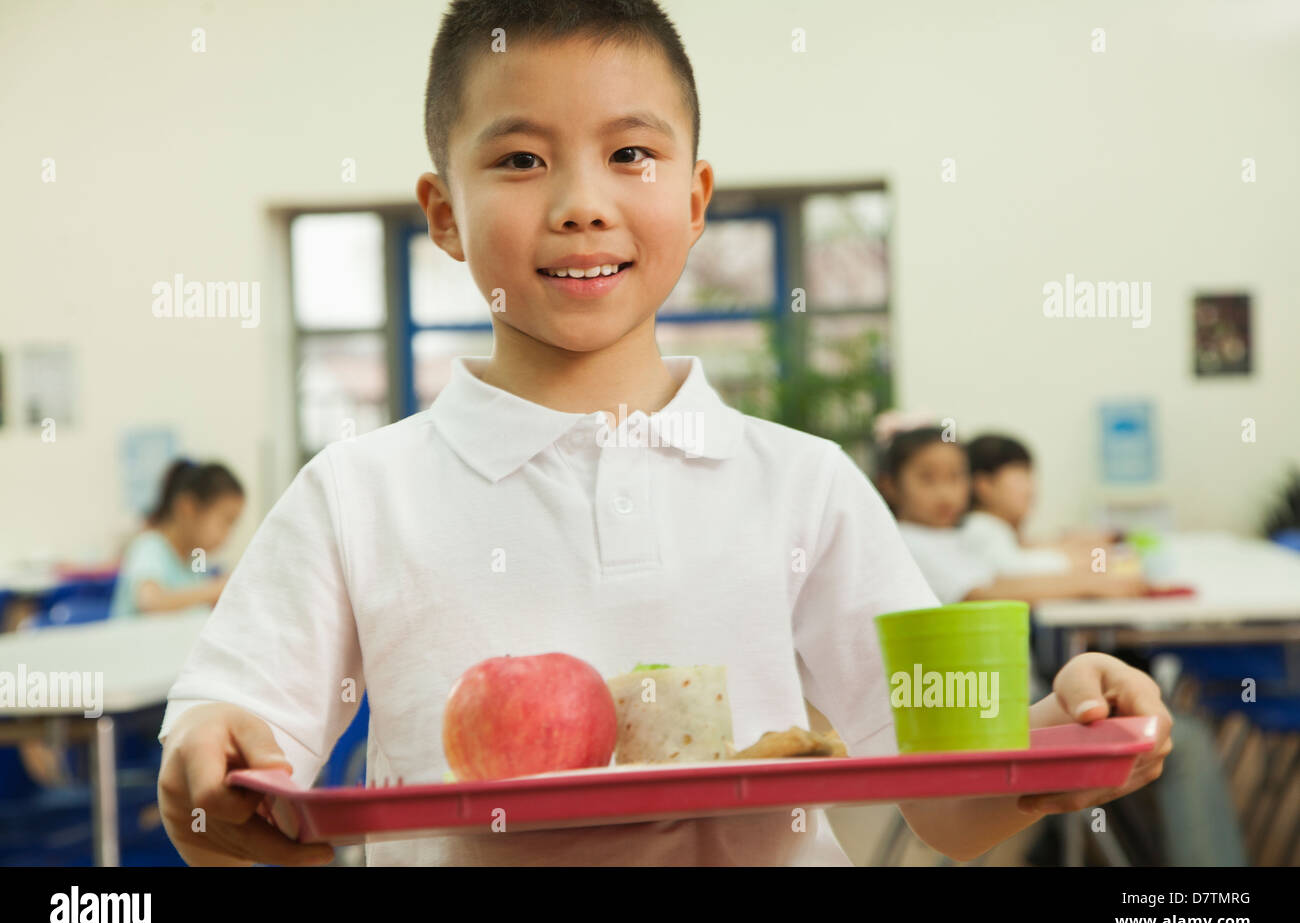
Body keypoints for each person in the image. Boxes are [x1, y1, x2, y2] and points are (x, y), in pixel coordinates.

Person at [156, 0, 1171, 868]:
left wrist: (1068, 730)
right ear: (444, 213)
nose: (581, 204)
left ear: (693, 202)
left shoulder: (802, 485)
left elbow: (946, 797)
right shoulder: (357, 492)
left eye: (629, 153)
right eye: (519, 158)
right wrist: (209, 760)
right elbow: (230, 742)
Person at [876, 427, 1148, 605]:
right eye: (928, 479)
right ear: (889, 485)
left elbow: (996, 578)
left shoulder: (947, 537)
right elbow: (982, 594)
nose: (946, 493)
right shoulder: (910, 542)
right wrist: (1089, 584)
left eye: (955, 478)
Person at [964, 433, 1117, 576]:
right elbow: (1012, 569)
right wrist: (1077, 559)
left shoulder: (997, 531)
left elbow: (1020, 551)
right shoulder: (980, 527)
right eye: (1020, 477)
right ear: (984, 485)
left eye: (1030, 476)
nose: (1031, 488)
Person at [109, 459, 244, 617]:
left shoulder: (196, 556)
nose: (228, 534)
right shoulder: (149, 546)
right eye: (226, 521)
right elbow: (150, 602)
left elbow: (199, 599)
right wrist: (216, 588)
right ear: (188, 508)